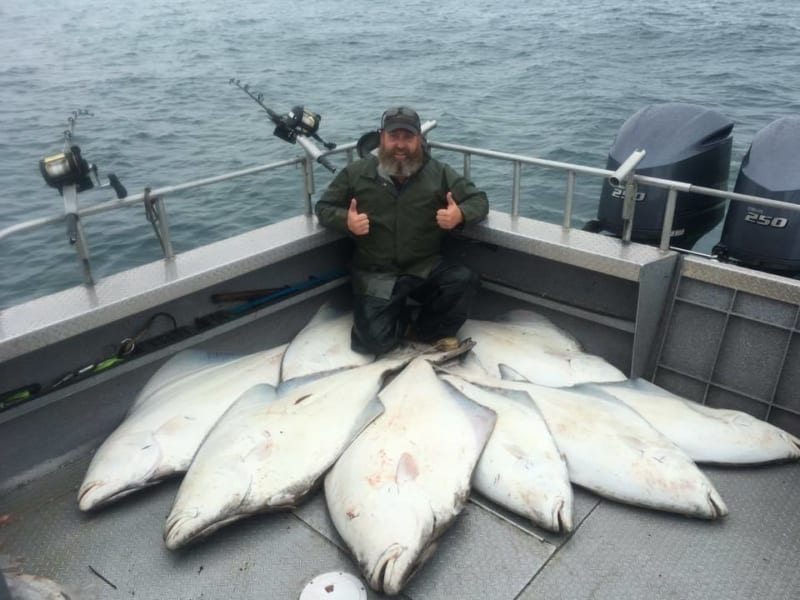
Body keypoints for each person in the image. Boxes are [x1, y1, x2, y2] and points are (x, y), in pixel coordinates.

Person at [315, 106, 489, 354]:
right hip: (376, 273)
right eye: (394, 136)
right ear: (381, 136)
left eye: (407, 137)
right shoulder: (356, 173)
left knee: (463, 280)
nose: (400, 145)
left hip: (424, 266)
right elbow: (323, 207)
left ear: (419, 139)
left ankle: (423, 330)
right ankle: (394, 317)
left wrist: (460, 214)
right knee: (373, 343)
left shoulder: (438, 173)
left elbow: (479, 200)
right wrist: (346, 220)